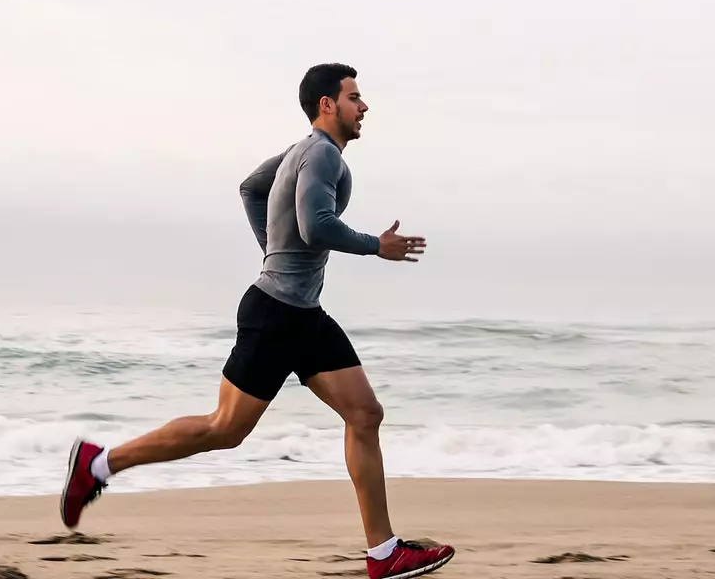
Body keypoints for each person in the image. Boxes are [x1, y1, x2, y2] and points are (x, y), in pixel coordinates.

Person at [58, 63, 454, 579]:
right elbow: (316, 226)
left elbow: (250, 189)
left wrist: (273, 251)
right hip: (276, 315)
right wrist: (375, 246)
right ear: (327, 105)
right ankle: (97, 463)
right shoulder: (323, 156)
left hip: (302, 315)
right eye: (355, 97)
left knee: (365, 414)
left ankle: (383, 553)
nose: (364, 107)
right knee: (224, 429)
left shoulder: (297, 153)